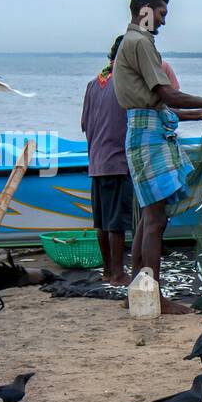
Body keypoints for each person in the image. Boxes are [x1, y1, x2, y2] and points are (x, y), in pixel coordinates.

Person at [112, 0, 202, 315]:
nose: (163, 21)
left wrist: (198, 113)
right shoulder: (139, 42)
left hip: (143, 129)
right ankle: (154, 296)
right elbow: (166, 93)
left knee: (148, 217)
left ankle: (136, 292)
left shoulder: (134, 42)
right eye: (161, 14)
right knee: (155, 220)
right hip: (148, 136)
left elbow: (158, 104)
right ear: (145, 10)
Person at [82, 35, 133, 285]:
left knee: (101, 221)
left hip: (96, 162)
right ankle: (119, 273)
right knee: (116, 223)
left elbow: (84, 124)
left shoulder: (93, 84)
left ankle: (106, 271)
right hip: (117, 161)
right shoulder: (125, 83)